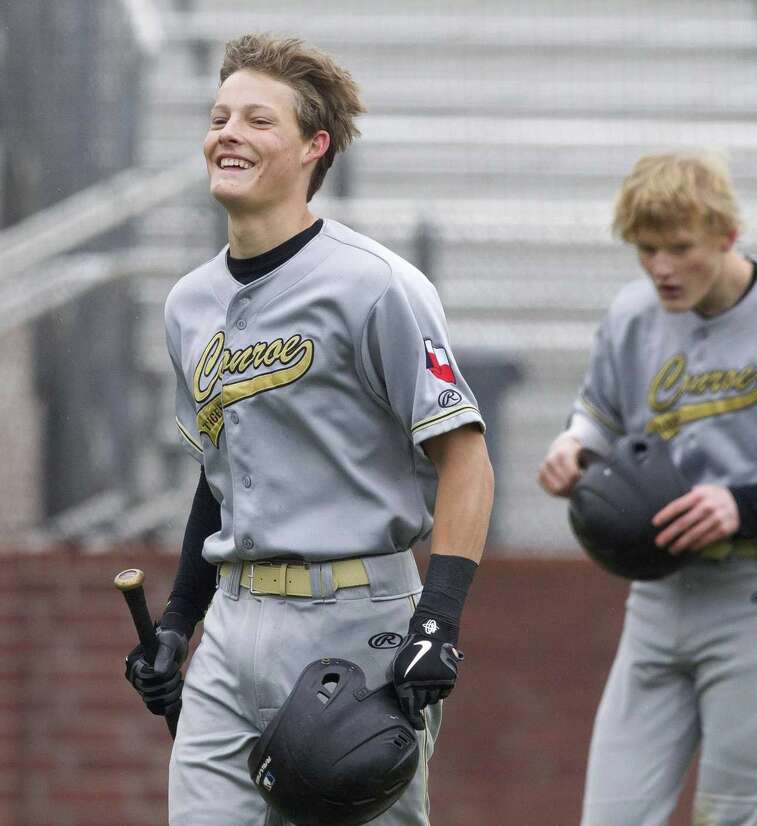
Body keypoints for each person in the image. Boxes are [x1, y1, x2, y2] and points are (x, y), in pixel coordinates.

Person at [123, 34, 493, 825]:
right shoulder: (188, 304)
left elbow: (465, 458)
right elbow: (215, 479)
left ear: (313, 146)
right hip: (233, 621)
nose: (227, 133)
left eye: (258, 120)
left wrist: (439, 621)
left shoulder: (378, 285)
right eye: (220, 116)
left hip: (357, 626)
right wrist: (179, 624)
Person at [538, 151, 757, 826]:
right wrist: (571, 446)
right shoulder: (634, 314)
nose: (661, 268)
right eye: (646, 250)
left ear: (727, 236)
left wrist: (741, 507)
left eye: (679, 248)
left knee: (729, 818)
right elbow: (596, 420)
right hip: (656, 596)